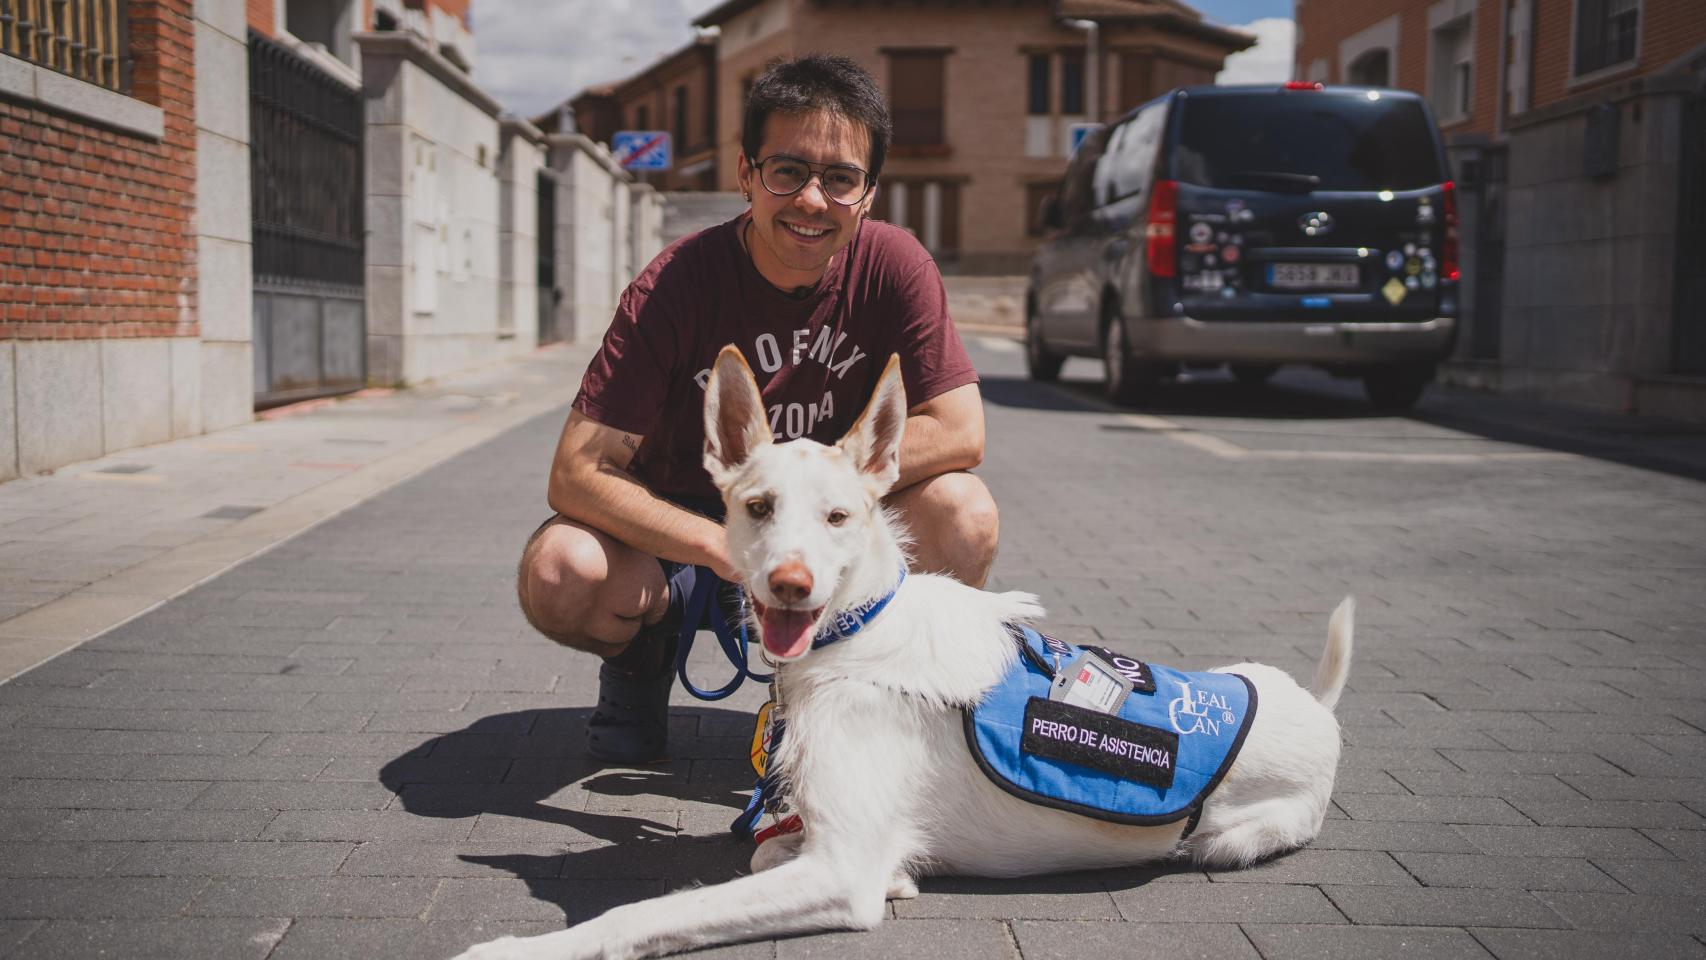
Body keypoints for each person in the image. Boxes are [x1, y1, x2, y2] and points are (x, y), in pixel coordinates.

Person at [517, 54, 999, 763]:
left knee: (966, 514)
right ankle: (642, 653)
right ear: (746, 175)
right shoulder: (676, 285)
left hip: (820, 530)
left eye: (840, 179)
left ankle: (866, 687)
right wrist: (725, 549)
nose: (811, 199)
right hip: (679, 535)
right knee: (562, 574)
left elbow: (960, 430)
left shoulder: (896, 267)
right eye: (788, 171)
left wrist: (814, 492)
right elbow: (577, 472)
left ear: (868, 193)